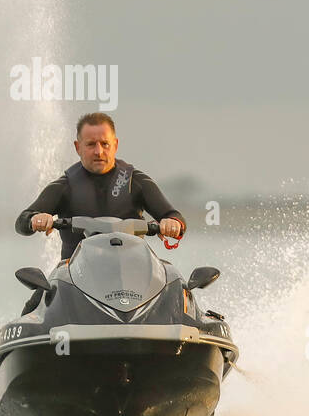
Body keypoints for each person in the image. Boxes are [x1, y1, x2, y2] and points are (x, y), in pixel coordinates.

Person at [14, 112, 186, 313]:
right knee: (32, 310)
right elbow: (21, 223)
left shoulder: (135, 182)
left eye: (105, 144)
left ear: (115, 145)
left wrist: (172, 223)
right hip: (74, 280)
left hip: (137, 280)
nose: (98, 151)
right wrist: (35, 218)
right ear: (78, 147)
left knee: (176, 288)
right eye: (91, 144)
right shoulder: (64, 186)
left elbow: (174, 216)